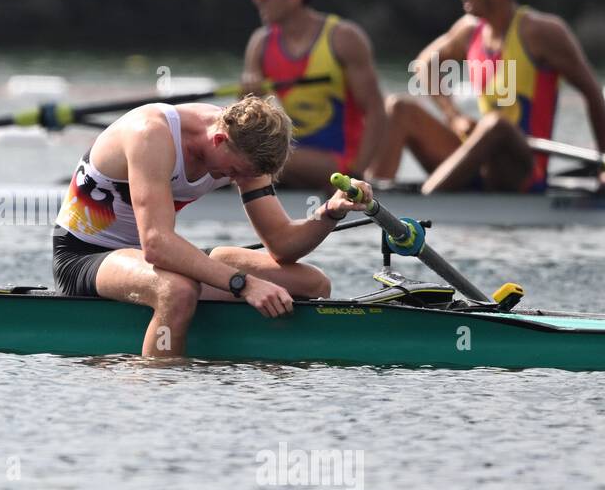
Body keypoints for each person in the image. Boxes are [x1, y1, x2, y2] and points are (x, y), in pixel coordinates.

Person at [52, 95, 373, 357]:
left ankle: (249, 360)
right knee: (176, 290)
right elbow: (157, 244)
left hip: (150, 257)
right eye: (233, 172)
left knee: (312, 283)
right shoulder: (151, 134)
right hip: (86, 255)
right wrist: (244, 285)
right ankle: (155, 393)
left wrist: (330, 212)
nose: (236, 180)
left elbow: (282, 244)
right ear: (219, 140)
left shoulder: (246, 146)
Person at [373, 0, 605, 192]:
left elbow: (592, 91)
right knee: (399, 108)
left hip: (522, 168)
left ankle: (428, 199)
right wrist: (454, 117)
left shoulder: (541, 32)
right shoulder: (469, 31)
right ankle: (372, 197)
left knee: (494, 124)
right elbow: (424, 63)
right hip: (479, 159)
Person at [239, 0, 386, 189]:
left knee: (249, 156)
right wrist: (246, 92)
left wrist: (357, 175)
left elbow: (377, 113)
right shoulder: (260, 43)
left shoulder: (343, 38)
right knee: (235, 149)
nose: (257, 0)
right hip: (291, 156)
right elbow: (243, 123)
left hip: (340, 161)